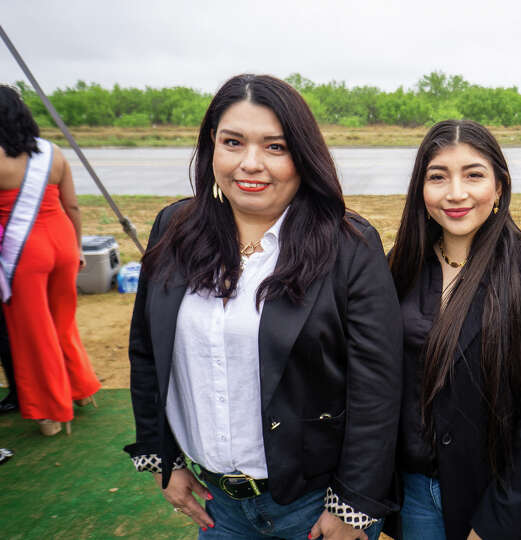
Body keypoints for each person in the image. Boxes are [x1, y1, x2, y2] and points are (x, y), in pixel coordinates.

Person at [124, 74, 402, 540]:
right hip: (219, 507)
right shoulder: (174, 227)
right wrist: (163, 458)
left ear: (303, 156)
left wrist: (353, 504)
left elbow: (378, 386)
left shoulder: (348, 244)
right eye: (233, 142)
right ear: (211, 146)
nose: (250, 164)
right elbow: (147, 352)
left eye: (275, 147)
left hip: (314, 507)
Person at [380, 119, 521, 540]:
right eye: (438, 177)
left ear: (500, 185)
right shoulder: (401, 265)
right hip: (418, 496)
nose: (456, 193)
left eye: (473, 175)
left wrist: (495, 523)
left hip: (500, 502)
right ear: (420, 189)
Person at [0, 84, 99, 435]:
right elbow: (72, 206)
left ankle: (51, 413)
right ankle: (81, 390)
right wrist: (76, 248)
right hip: (61, 242)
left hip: (25, 251)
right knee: (63, 322)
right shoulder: (53, 153)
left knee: (34, 334)